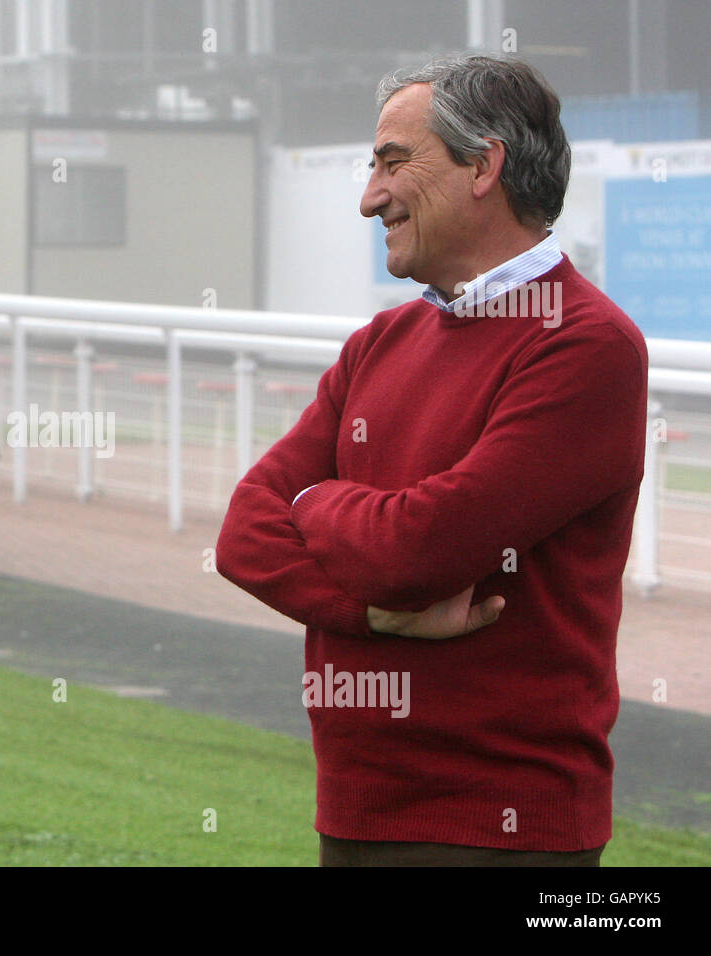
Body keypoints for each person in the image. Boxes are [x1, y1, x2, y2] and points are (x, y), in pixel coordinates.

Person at [216, 54, 648, 866]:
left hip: (500, 829)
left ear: (484, 166)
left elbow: (421, 552)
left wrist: (312, 502)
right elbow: (242, 534)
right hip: (354, 809)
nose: (369, 197)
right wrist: (371, 613)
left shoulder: (588, 346)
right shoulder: (381, 340)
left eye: (392, 162)